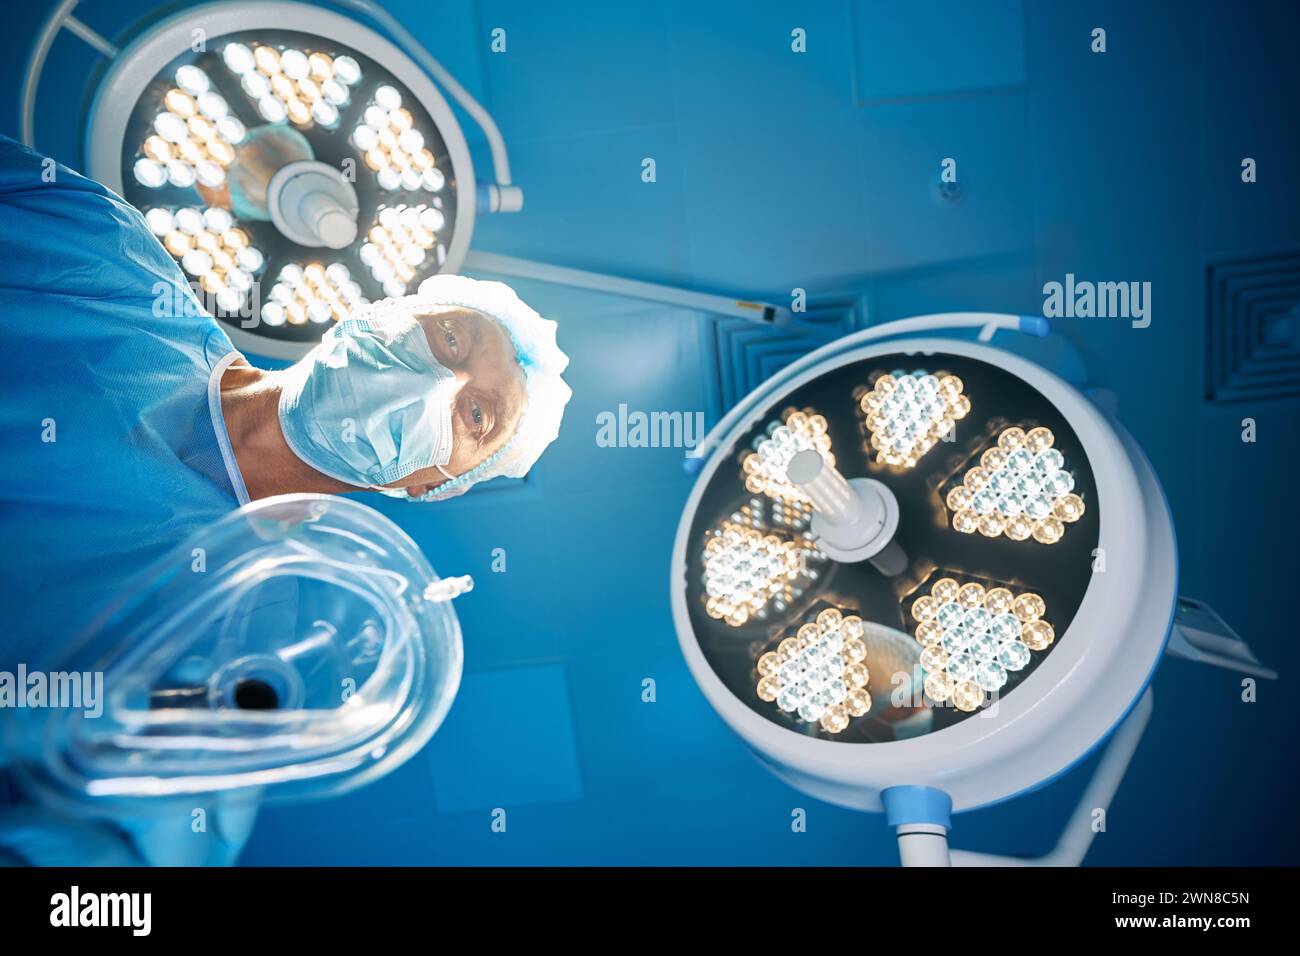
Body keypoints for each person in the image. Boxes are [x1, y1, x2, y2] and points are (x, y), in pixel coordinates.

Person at [0, 134, 570, 863]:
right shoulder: (94, 250)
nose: (439, 382)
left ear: (427, 486)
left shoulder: (232, 649)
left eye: (477, 417)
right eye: (451, 338)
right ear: (382, 309)